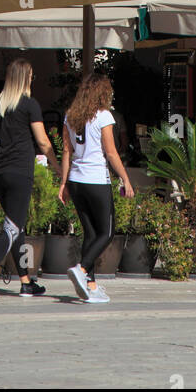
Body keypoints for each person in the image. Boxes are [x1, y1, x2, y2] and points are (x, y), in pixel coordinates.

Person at [0, 58, 59, 300]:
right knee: (13, 227)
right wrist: (58, 166)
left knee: (16, 227)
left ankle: (26, 281)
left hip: (0, 173)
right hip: (20, 173)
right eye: (31, 76)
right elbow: (43, 141)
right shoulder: (30, 105)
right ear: (25, 78)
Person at [59, 72, 134, 303]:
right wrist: (126, 179)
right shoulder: (103, 116)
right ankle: (81, 270)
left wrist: (63, 184)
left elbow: (66, 151)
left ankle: (90, 285)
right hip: (96, 180)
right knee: (107, 232)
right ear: (103, 92)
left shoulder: (71, 116)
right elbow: (111, 152)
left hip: (76, 180)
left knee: (90, 233)